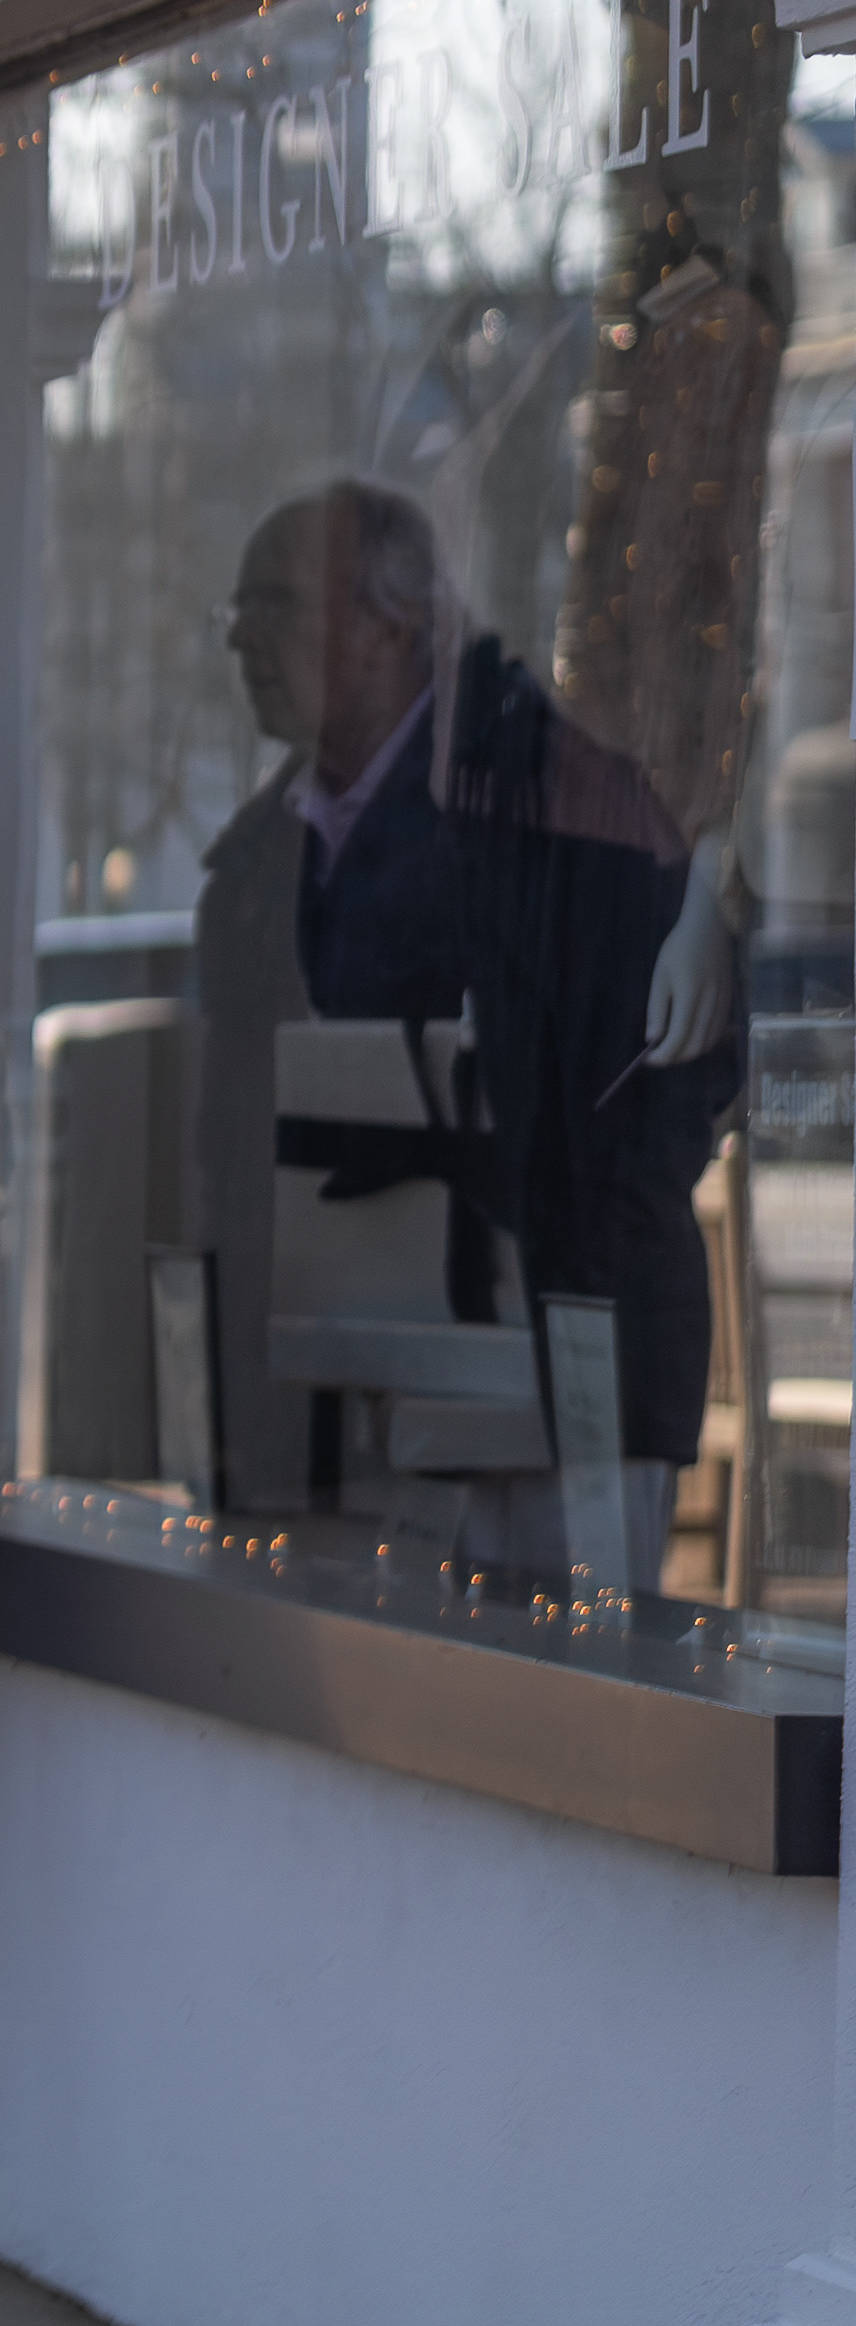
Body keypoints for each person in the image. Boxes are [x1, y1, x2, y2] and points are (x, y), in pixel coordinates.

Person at [195, 478, 728, 1581]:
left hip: (546, 1408)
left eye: (274, 603)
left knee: (543, 1692)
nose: (240, 638)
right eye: (235, 611)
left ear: (390, 625)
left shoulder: (557, 805)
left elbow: (677, 1080)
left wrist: (519, 1231)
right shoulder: (255, 864)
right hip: (330, 1401)